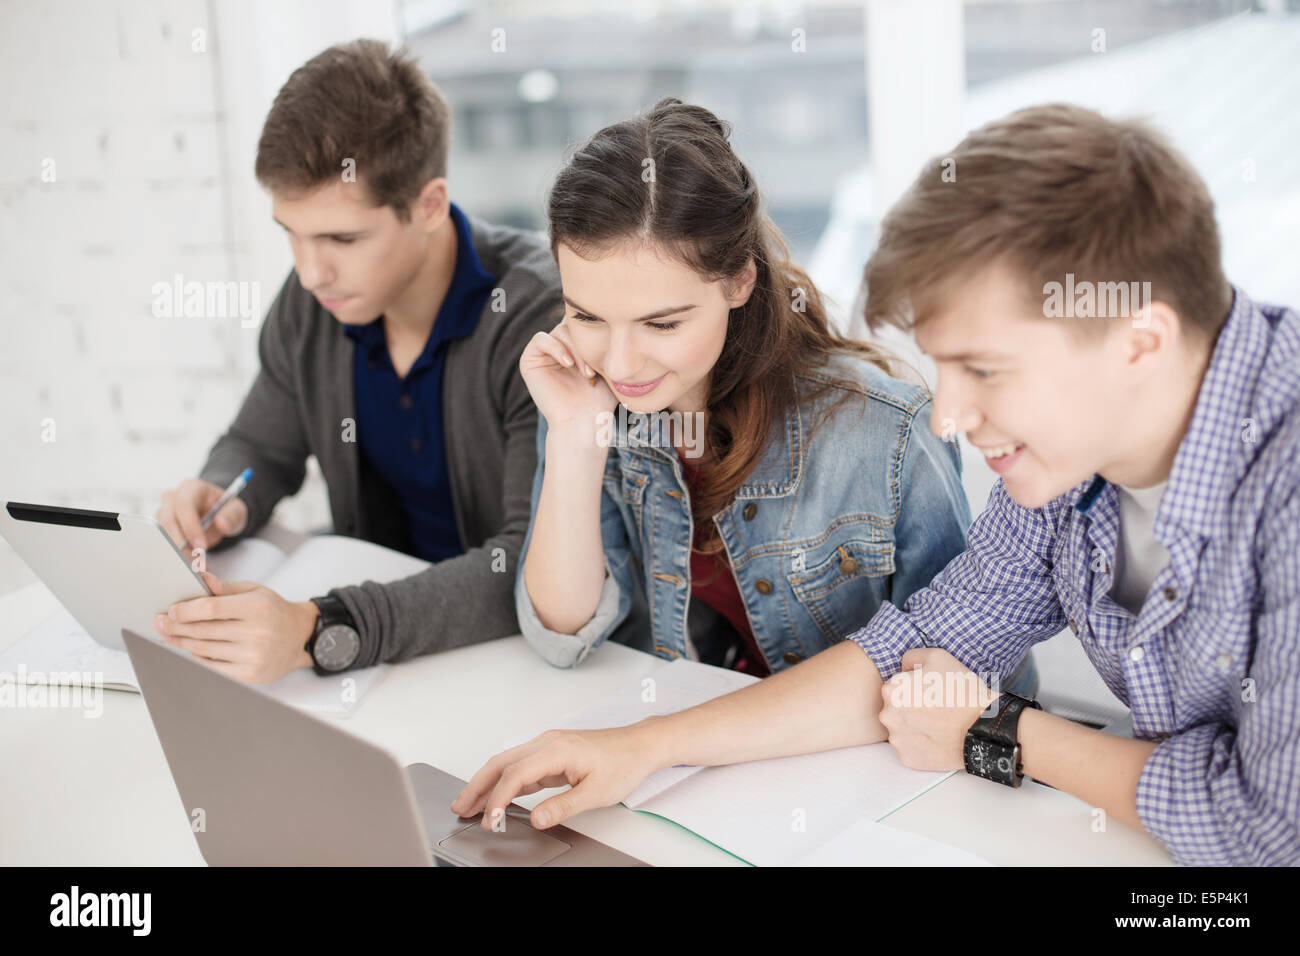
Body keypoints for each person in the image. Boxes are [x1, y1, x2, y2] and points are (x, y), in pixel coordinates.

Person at [453, 103, 1300, 867]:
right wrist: (645, 747)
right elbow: (909, 655)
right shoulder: (1065, 476)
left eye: (985, 371)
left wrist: (1000, 730)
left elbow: (1268, 828)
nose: (949, 417)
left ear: (1139, 344)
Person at [511, 97, 1036, 696]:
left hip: (853, 761)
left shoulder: (883, 433)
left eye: (661, 325)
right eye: (588, 316)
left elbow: (971, 681)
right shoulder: (586, 399)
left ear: (739, 282)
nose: (621, 363)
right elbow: (560, 635)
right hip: (698, 744)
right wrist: (577, 438)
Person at [151, 40, 563, 683]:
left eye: (342, 238)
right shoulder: (318, 304)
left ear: (428, 205)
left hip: (519, 664)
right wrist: (224, 491)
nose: (311, 272)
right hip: (385, 659)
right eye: (291, 233)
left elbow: (527, 563)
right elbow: (260, 444)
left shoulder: (535, 316)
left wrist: (324, 628)